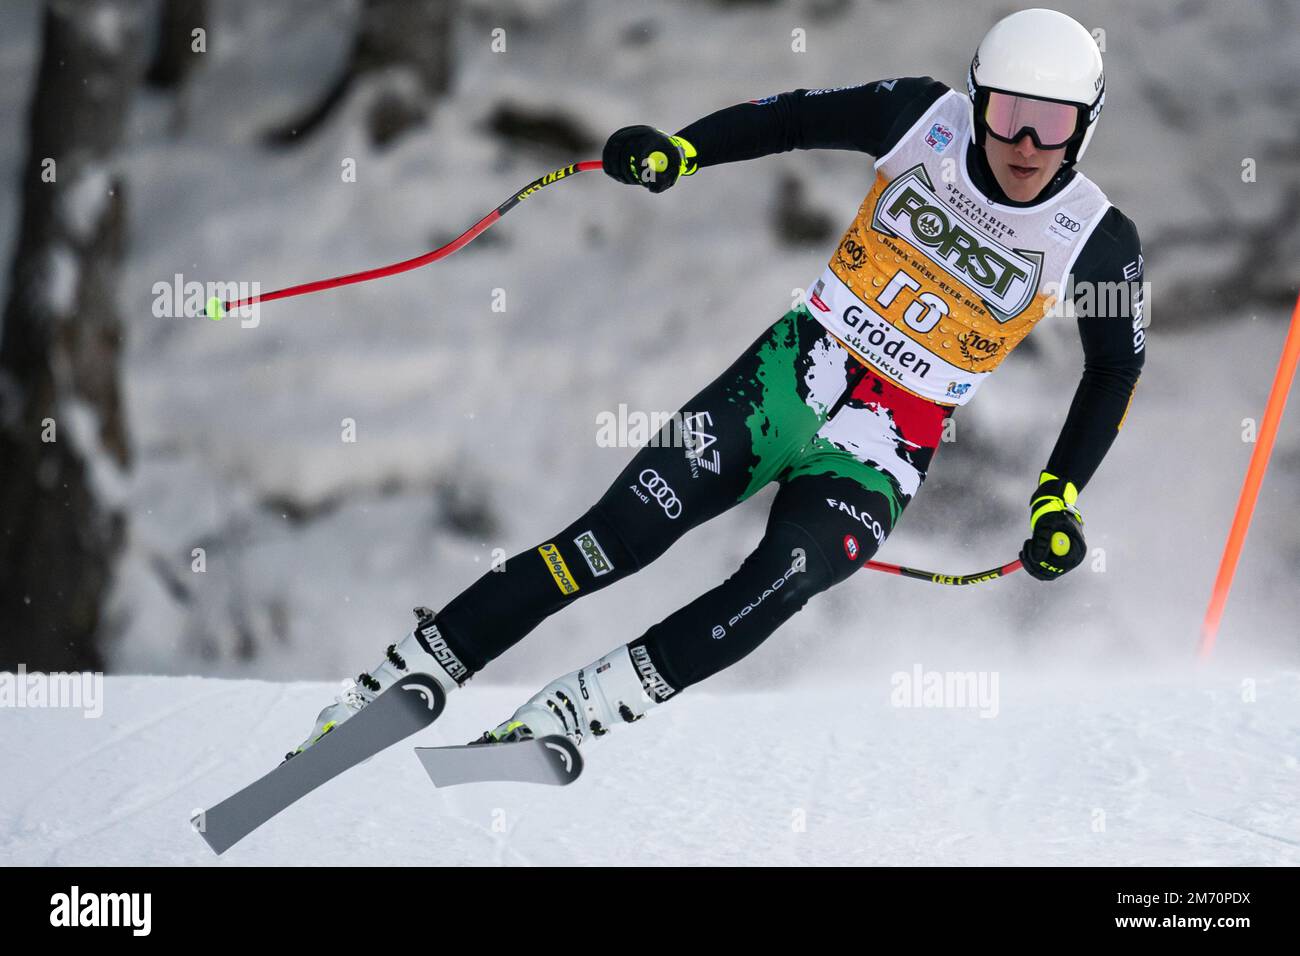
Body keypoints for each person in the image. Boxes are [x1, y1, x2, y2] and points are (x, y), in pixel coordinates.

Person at [290, 7, 1146, 756]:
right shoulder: (923, 118)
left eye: (1052, 124)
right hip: (788, 376)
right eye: (1006, 115)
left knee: (784, 576)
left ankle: (582, 711)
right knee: (618, 535)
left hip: (887, 440)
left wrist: (1057, 496)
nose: (1024, 143)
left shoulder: (1096, 239)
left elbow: (1115, 367)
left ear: (1087, 126)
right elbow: (796, 119)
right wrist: (681, 152)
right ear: (977, 99)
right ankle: (418, 667)